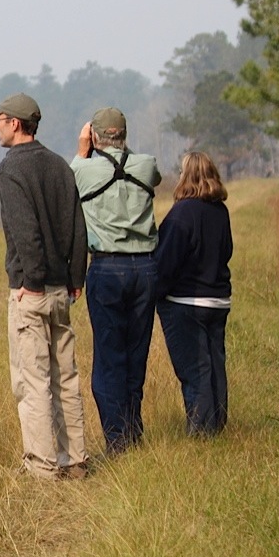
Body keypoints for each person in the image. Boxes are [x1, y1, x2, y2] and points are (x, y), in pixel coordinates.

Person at [0, 93, 90, 480]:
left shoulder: (11, 169)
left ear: (16, 123)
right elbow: (79, 227)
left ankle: (42, 466)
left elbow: (25, 232)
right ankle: (75, 460)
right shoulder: (61, 165)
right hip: (62, 289)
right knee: (66, 377)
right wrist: (75, 277)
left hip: (32, 293)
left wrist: (29, 283)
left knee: (32, 382)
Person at [71, 107, 162, 455]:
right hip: (146, 269)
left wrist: (83, 150)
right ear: (124, 134)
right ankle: (133, 430)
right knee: (135, 354)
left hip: (107, 268)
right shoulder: (146, 163)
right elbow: (146, 173)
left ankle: (118, 441)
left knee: (109, 358)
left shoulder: (83, 168)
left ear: (94, 136)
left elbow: (71, 179)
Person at [154, 151, 233, 437]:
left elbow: (166, 261)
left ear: (185, 175)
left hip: (186, 302)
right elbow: (227, 251)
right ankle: (217, 426)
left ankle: (201, 433)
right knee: (215, 367)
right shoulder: (220, 211)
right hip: (218, 301)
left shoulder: (182, 213)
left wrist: (156, 293)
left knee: (195, 371)